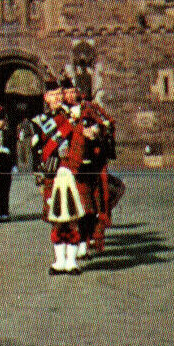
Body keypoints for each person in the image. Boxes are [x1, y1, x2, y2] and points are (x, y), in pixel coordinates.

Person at [62, 78, 119, 258]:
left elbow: (108, 125)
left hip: (91, 165)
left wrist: (97, 132)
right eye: (66, 91)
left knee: (92, 206)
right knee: (71, 208)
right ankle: (72, 244)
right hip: (68, 166)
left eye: (72, 90)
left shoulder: (91, 109)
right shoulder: (59, 114)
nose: (70, 95)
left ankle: (86, 240)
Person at [39, 77, 90, 275]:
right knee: (57, 218)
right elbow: (40, 149)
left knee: (73, 217)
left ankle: (72, 261)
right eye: (53, 94)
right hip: (52, 173)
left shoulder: (72, 116)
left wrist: (71, 166)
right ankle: (59, 261)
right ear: (46, 97)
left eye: (60, 93)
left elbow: (78, 143)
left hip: (70, 172)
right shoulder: (42, 120)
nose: (58, 97)